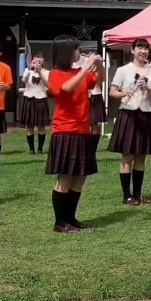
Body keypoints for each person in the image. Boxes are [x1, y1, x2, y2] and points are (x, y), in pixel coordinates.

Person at [47, 37, 103, 231]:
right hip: (64, 131)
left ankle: (71, 218)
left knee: (80, 176)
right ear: (66, 51)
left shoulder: (79, 72)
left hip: (82, 130)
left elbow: (98, 81)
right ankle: (60, 222)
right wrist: (86, 68)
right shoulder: (55, 73)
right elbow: (66, 88)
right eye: (76, 49)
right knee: (66, 177)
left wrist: (98, 66)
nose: (79, 52)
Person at [108, 38, 151, 206]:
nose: (143, 51)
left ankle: (138, 195)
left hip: (145, 115)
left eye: (146, 48)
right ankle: (127, 195)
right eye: (139, 47)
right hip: (128, 114)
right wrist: (124, 93)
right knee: (127, 156)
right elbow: (112, 92)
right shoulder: (124, 70)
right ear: (132, 50)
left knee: (141, 157)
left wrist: (148, 88)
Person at [18, 54, 50, 155]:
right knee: (29, 125)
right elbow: (23, 80)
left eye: (40, 60)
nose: (37, 62)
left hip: (41, 98)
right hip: (29, 98)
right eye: (35, 60)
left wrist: (39, 72)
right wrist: (29, 70)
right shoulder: (28, 71)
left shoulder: (47, 72)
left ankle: (40, 148)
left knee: (41, 125)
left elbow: (48, 84)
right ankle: (31, 149)